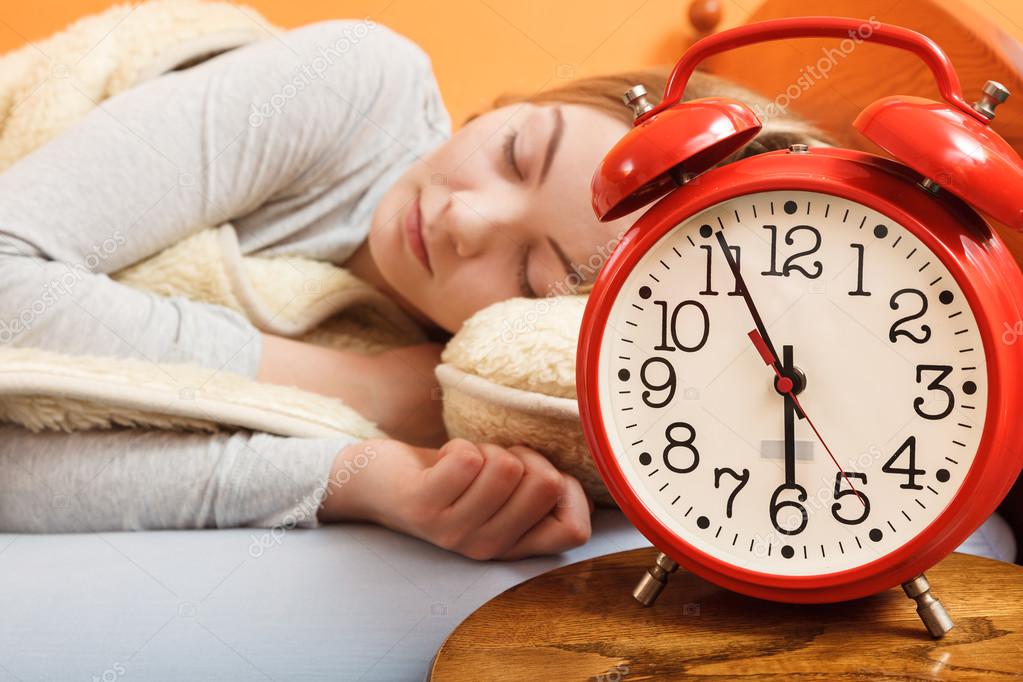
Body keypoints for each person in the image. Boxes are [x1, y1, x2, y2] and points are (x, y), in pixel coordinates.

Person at [0, 20, 829, 559]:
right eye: (514, 152)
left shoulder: (480, 394)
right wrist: (359, 390)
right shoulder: (353, 87)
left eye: (530, 275)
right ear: (527, 104)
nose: (465, 218)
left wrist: (360, 477)